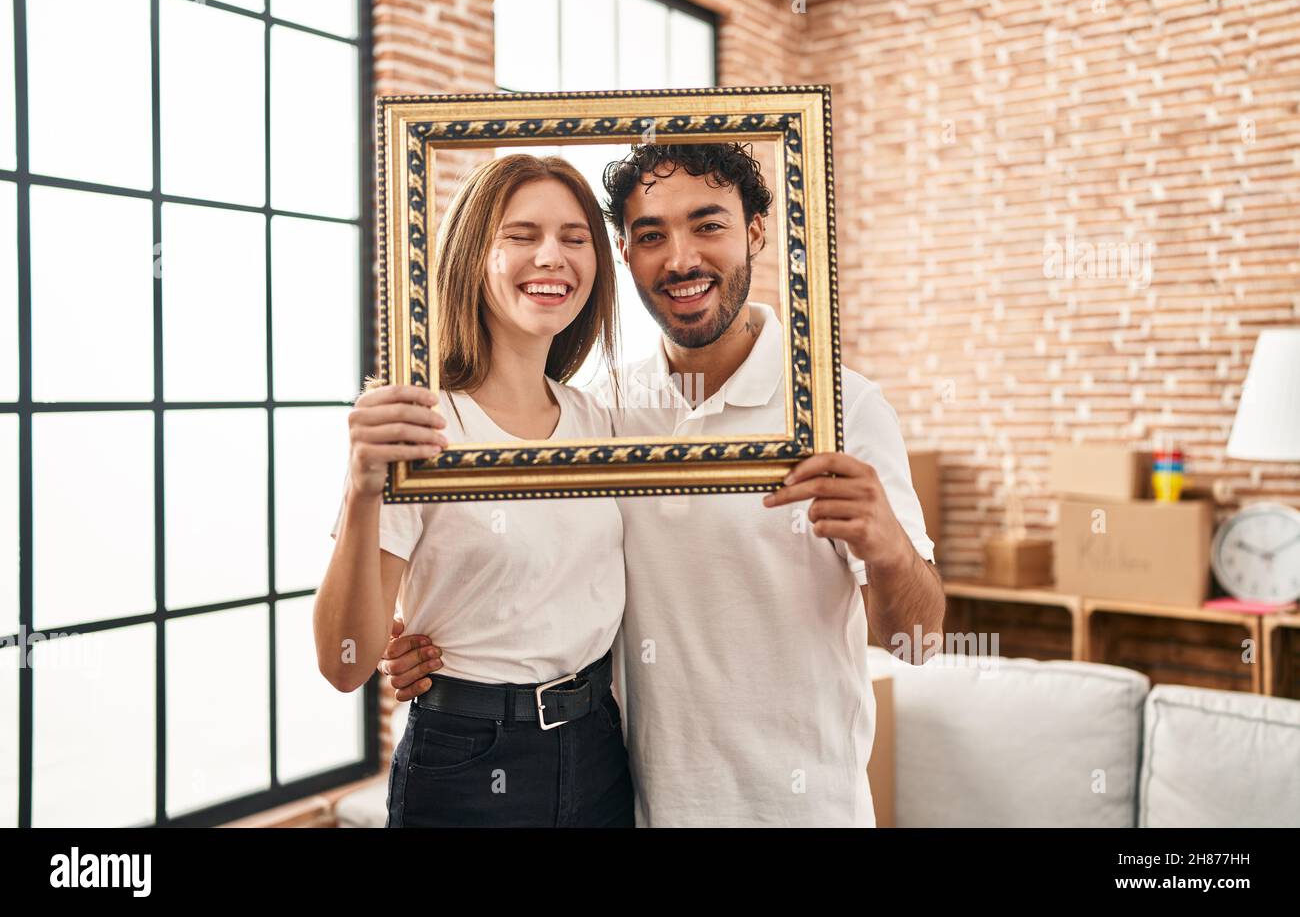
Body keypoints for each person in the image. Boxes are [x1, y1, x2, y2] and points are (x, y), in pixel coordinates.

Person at [383, 142, 946, 827]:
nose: (681, 259)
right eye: (652, 235)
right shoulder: (601, 414)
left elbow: (917, 643)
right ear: (623, 252)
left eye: (709, 225)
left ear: (757, 232)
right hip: (634, 802)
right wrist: (435, 643)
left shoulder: (839, 408)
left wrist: (889, 548)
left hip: (801, 808)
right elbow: (546, 573)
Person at [314, 152, 634, 827]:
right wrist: (362, 490)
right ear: (473, 256)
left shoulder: (597, 420)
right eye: (521, 236)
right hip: (466, 760)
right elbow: (344, 665)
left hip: (599, 745)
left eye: (575, 239)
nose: (552, 256)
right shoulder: (422, 423)